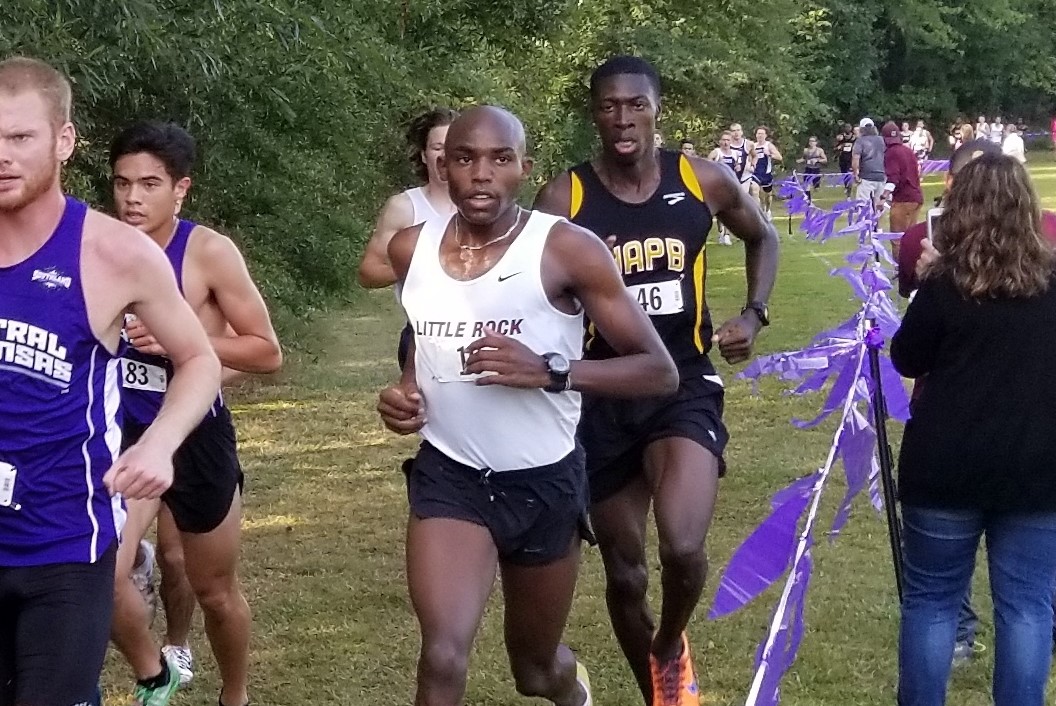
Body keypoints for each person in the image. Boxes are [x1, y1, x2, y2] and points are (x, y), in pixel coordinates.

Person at [378, 104, 680, 706]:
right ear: (441, 166)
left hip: (544, 483)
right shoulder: (410, 249)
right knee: (442, 655)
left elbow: (659, 371)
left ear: (524, 168)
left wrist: (550, 371)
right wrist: (405, 393)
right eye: (464, 159)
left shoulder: (566, 248)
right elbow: (422, 336)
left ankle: (573, 693)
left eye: (500, 159)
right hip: (451, 477)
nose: (481, 174)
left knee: (536, 671)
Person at [534, 55, 780, 706]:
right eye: (609, 106)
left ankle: (669, 643)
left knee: (683, 546)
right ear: (594, 113)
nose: (623, 118)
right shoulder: (564, 199)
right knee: (626, 575)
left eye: (635, 105)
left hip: (680, 384)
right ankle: (661, 694)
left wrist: (754, 314)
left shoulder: (702, 179)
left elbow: (763, 237)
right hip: (600, 397)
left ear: (656, 109)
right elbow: (527, 295)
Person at [0, 56, 221, 706]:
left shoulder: (114, 254)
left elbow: (200, 360)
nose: (2, 156)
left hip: (66, 543)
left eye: (20, 137)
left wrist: (158, 445)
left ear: (63, 140)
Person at [108, 121, 282, 706]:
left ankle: (235, 695)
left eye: (149, 184)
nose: (133, 198)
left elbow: (267, 351)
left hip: (197, 436)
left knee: (213, 591)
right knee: (103, 571)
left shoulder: (207, 252)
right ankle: (153, 670)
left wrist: (182, 343)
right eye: (122, 183)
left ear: (180, 189)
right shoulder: (99, 248)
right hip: (125, 435)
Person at [892, 152, 1056, 706]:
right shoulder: (1051, 281)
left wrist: (927, 282)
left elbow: (908, 357)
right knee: (1027, 607)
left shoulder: (945, 284)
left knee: (932, 602)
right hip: (1036, 465)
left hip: (946, 465)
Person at [357, 108, 459, 369]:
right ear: (424, 155)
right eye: (437, 147)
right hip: (423, 335)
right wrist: (421, 262)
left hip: (484, 330)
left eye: (452, 147)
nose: (444, 155)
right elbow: (369, 273)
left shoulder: (484, 206)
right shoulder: (404, 206)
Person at [880, 120, 923, 256]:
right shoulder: (908, 151)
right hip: (916, 197)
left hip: (903, 199)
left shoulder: (891, 153)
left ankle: (900, 267)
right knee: (911, 239)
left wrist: (883, 197)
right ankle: (913, 266)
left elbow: (893, 178)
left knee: (897, 239)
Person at [709, 132, 739, 245]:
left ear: (731, 142)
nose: (726, 142)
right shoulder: (716, 152)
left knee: (729, 210)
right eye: (724, 140)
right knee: (720, 211)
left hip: (730, 185)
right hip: (718, 185)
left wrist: (738, 167)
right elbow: (707, 164)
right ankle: (721, 232)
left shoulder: (735, 154)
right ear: (720, 142)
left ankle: (727, 235)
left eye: (728, 140)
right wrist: (716, 164)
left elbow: (737, 167)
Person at [851, 118, 887, 209]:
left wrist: (855, 174)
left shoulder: (860, 141)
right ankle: (877, 218)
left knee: (862, 205)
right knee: (879, 205)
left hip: (866, 176)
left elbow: (856, 158)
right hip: (881, 175)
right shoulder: (882, 140)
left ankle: (865, 218)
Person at [748, 126, 782, 219]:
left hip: (766, 173)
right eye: (758, 133)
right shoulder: (753, 146)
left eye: (762, 134)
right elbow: (749, 158)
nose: (760, 135)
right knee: (756, 191)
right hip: (755, 173)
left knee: (768, 195)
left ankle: (767, 210)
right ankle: (760, 212)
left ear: (766, 135)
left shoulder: (768, 145)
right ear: (756, 135)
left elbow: (779, 157)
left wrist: (769, 154)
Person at [796, 136, 827, 202]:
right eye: (810, 141)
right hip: (808, 169)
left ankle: (816, 187)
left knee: (816, 188)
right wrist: (799, 161)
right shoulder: (806, 150)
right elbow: (804, 158)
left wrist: (817, 160)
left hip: (816, 170)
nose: (811, 142)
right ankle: (808, 200)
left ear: (816, 142)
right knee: (807, 185)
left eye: (813, 141)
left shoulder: (819, 150)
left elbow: (825, 160)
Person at [835, 122, 855, 197]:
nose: (848, 129)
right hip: (842, 158)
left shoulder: (854, 137)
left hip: (851, 158)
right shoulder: (840, 137)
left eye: (849, 127)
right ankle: (846, 186)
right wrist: (840, 147)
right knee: (844, 173)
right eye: (846, 127)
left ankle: (849, 189)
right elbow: (835, 147)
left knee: (849, 173)